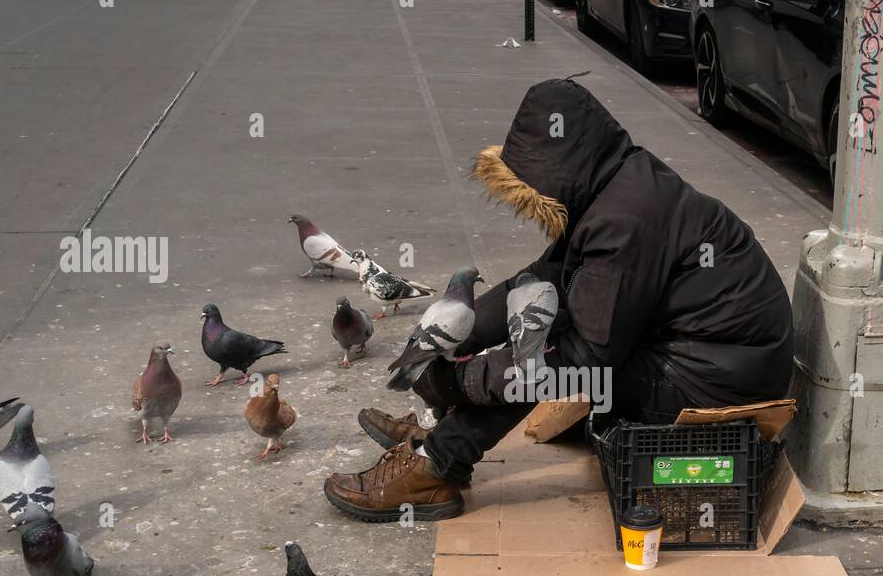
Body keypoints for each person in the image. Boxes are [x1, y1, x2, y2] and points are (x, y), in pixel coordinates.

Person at [324, 77, 793, 523]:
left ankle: (436, 464)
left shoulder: (625, 222)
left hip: (717, 390)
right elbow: (542, 278)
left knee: (543, 352)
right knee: (538, 326)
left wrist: (463, 381)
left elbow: (582, 358)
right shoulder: (616, 184)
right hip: (703, 359)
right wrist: (450, 341)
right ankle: (442, 438)